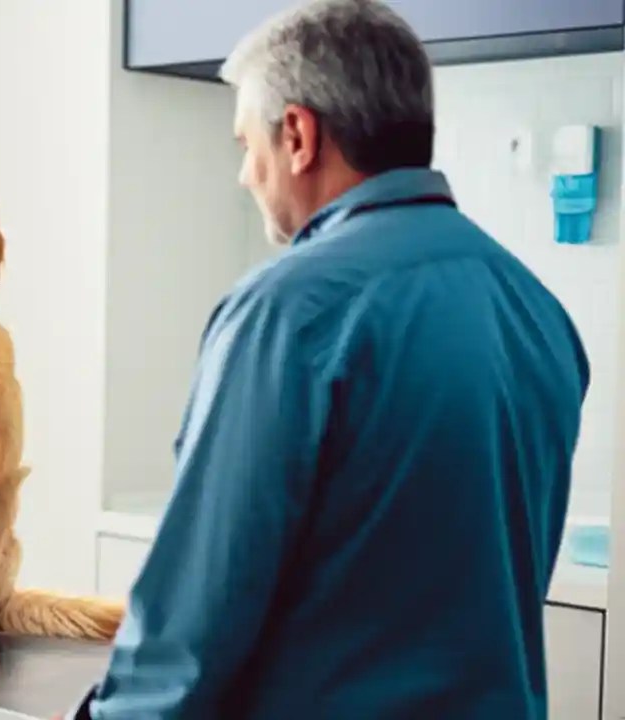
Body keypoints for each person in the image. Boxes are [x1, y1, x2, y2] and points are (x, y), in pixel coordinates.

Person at [66, 0, 589, 718]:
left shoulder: (288, 312)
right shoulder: (537, 312)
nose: (245, 175)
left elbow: (191, 627)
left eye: (246, 146)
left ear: (298, 135)